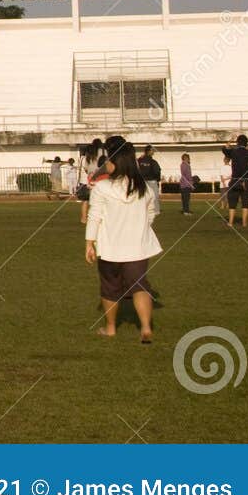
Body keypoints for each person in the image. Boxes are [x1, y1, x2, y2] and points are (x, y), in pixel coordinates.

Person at [85, 137, 161, 342]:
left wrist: (89, 243)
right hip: (138, 247)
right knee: (140, 286)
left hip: (110, 247)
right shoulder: (144, 188)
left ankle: (111, 328)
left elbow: (94, 216)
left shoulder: (102, 188)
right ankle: (145, 328)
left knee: (110, 288)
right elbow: (151, 214)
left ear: (113, 162)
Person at [227, 134, 248, 228]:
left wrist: (230, 141)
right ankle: (244, 223)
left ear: (237, 143)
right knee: (246, 203)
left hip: (235, 180)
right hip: (246, 180)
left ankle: (230, 222)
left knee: (232, 203)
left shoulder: (234, 152)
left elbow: (225, 149)